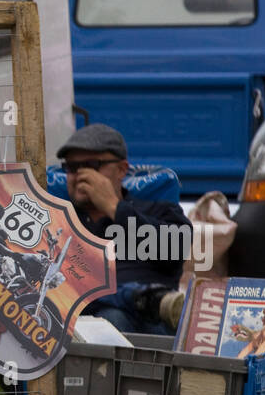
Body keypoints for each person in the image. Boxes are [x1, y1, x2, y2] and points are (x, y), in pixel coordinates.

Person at [57, 123, 191, 335]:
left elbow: (174, 251)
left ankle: (141, 299)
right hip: (81, 328)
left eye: (92, 165)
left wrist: (114, 208)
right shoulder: (59, 221)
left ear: (121, 169)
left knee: (129, 321)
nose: (80, 175)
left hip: (152, 330)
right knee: (109, 318)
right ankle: (137, 297)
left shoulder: (157, 210)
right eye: (72, 167)